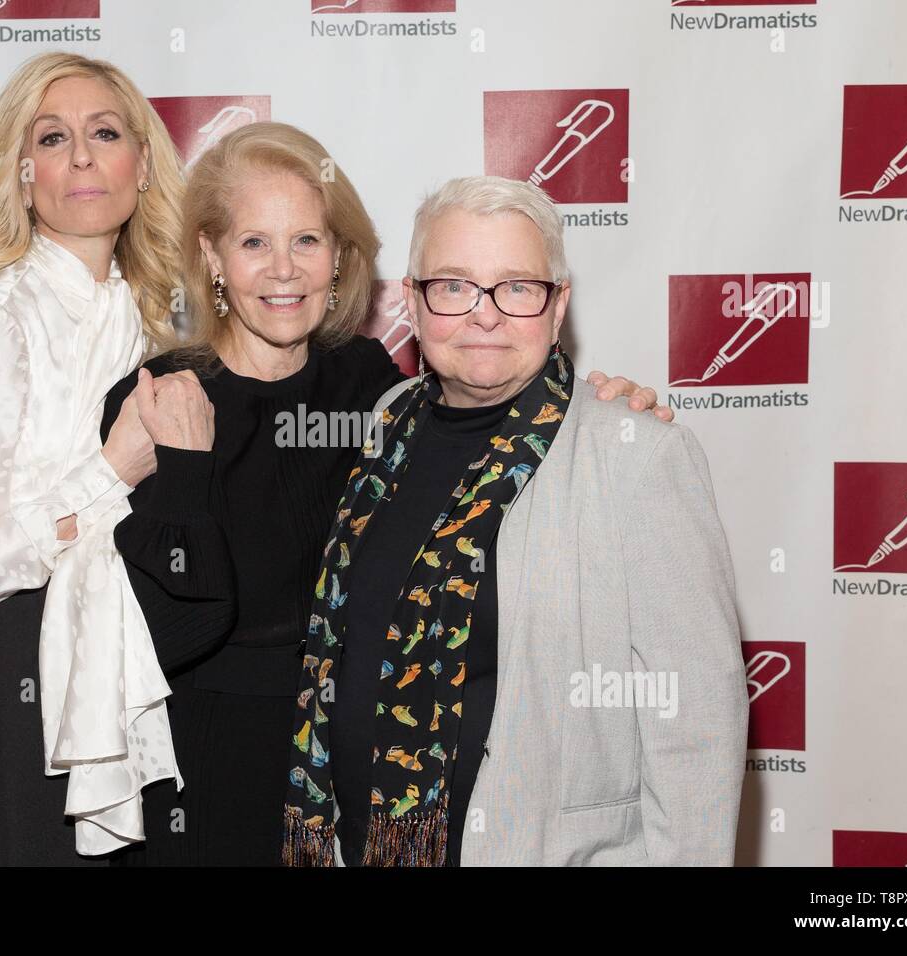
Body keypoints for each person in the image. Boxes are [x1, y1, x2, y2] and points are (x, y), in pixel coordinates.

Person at [101, 124, 671, 865]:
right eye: (253, 244)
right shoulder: (161, 398)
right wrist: (183, 469)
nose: (284, 270)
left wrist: (606, 403)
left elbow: (500, 409)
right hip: (208, 770)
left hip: (360, 782)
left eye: (307, 240)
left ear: (340, 258)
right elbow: (151, 635)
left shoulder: (374, 389)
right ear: (211, 255)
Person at [283, 176, 748, 867]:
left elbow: (699, 728)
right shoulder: (386, 423)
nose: (485, 315)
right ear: (411, 301)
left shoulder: (637, 456)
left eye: (517, 287)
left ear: (559, 306)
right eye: (454, 286)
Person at [0, 52, 186, 865]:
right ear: (24, 177)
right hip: (11, 669)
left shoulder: (159, 323)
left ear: (142, 165)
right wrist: (109, 472)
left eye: (105, 132)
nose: (84, 156)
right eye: (54, 138)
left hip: (134, 667)